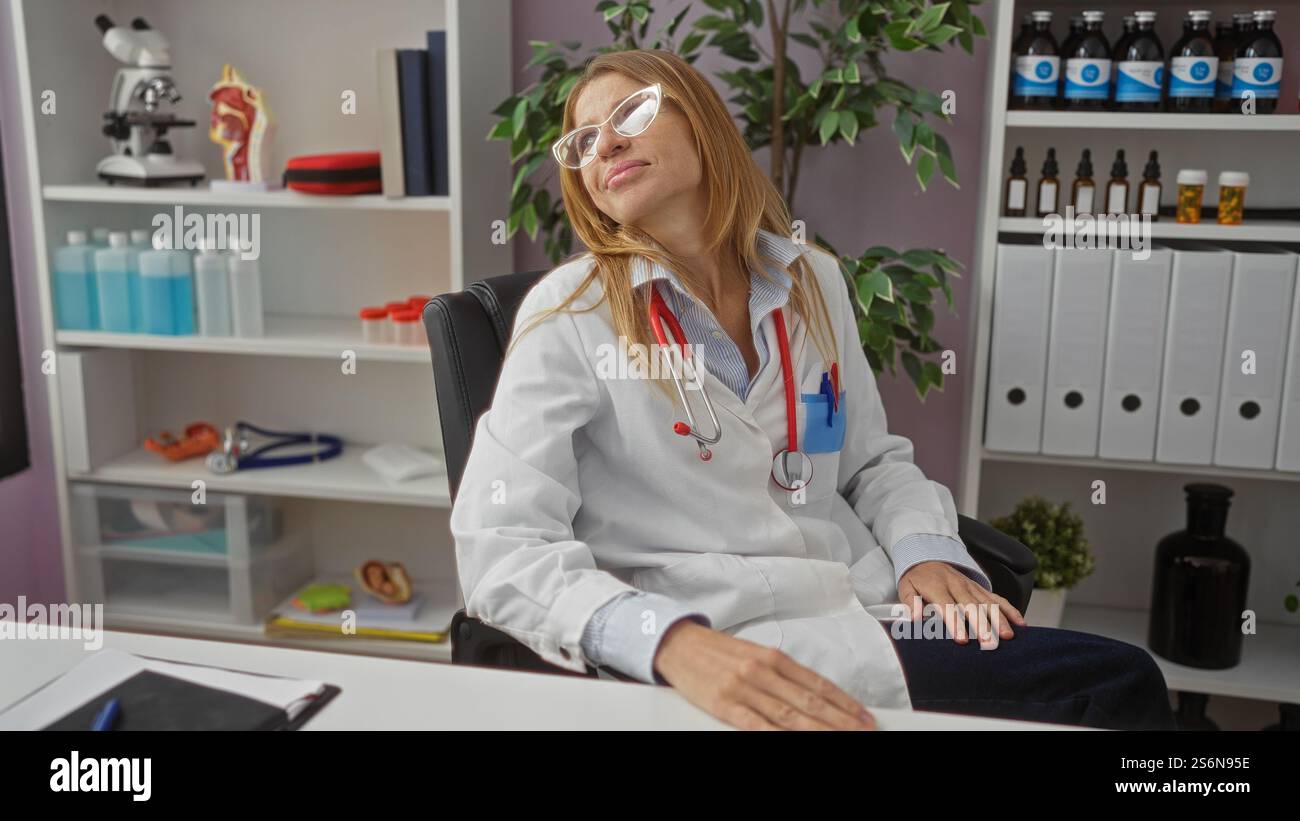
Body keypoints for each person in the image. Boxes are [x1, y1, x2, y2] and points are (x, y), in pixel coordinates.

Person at [450, 49, 1175, 731]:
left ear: (701, 120)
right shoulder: (569, 313)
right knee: (1118, 684)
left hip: (857, 602)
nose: (603, 145)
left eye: (632, 114)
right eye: (580, 142)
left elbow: (870, 462)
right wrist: (668, 640)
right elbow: (502, 546)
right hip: (712, 642)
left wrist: (924, 550)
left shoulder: (811, 281)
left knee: (1100, 674)